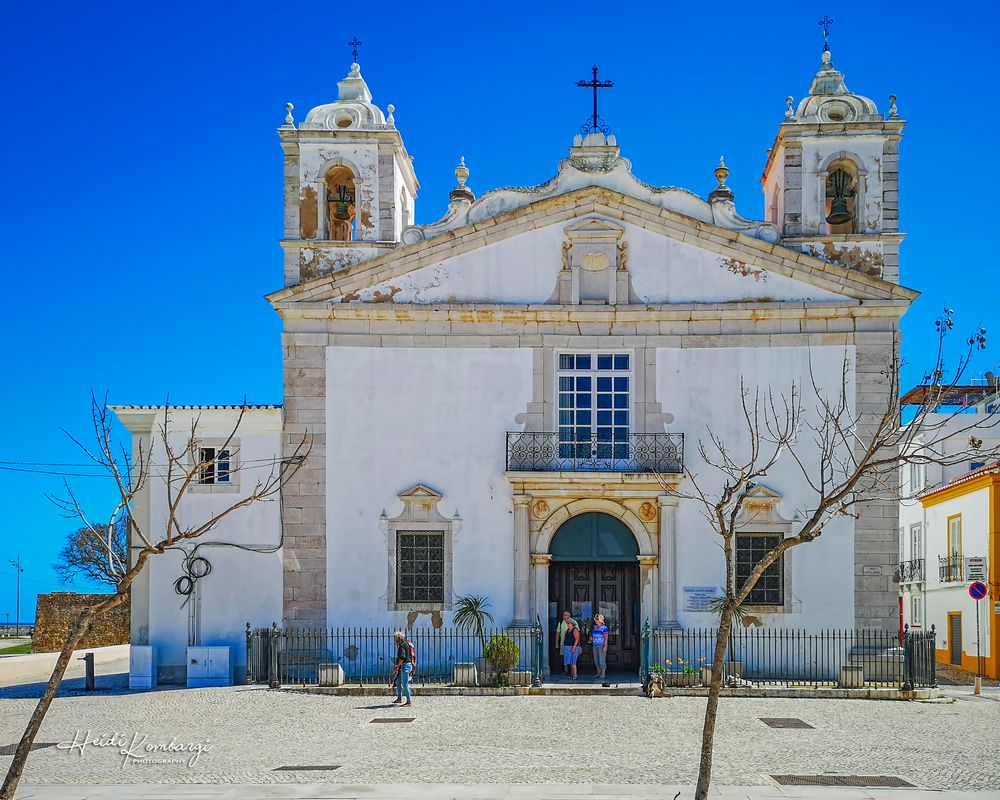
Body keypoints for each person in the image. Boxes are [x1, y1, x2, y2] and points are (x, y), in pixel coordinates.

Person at [391, 630, 414, 707]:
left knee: (405, 683)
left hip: (405, 666)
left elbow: (402, 657)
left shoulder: (402, 646)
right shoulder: (407, 643)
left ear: (399, 639)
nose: (395, 641)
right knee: (398, 681)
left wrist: (397, 666)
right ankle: (399, 698)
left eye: (396, 639)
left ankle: (409, 701)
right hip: (407, 665)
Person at [554, 610, 578, 676]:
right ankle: (566, 670)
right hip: (564, 644)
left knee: (572, 660)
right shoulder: (561, 622)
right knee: (565, 658)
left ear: (569, 616)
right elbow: (558, 632)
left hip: (572, 645)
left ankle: (573, 673)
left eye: (565, 615)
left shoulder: (574, 623)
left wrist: (576, 646)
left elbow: (577, 636)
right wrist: (557, 642)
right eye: (563, 614)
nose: (563, 616)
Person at [590, 613, 610, 680]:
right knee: (596, 659)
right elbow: (592, 635)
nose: (595, 620)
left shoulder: (604, 628)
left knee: (602, 659)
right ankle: (598, 673)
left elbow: (606, 638)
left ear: (600, 620)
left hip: (601, 645)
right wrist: (591, 639)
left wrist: (605, 646)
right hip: (595, 644)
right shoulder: (595, 627)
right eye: (595, 619)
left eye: (597, 619)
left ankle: (603, 673)